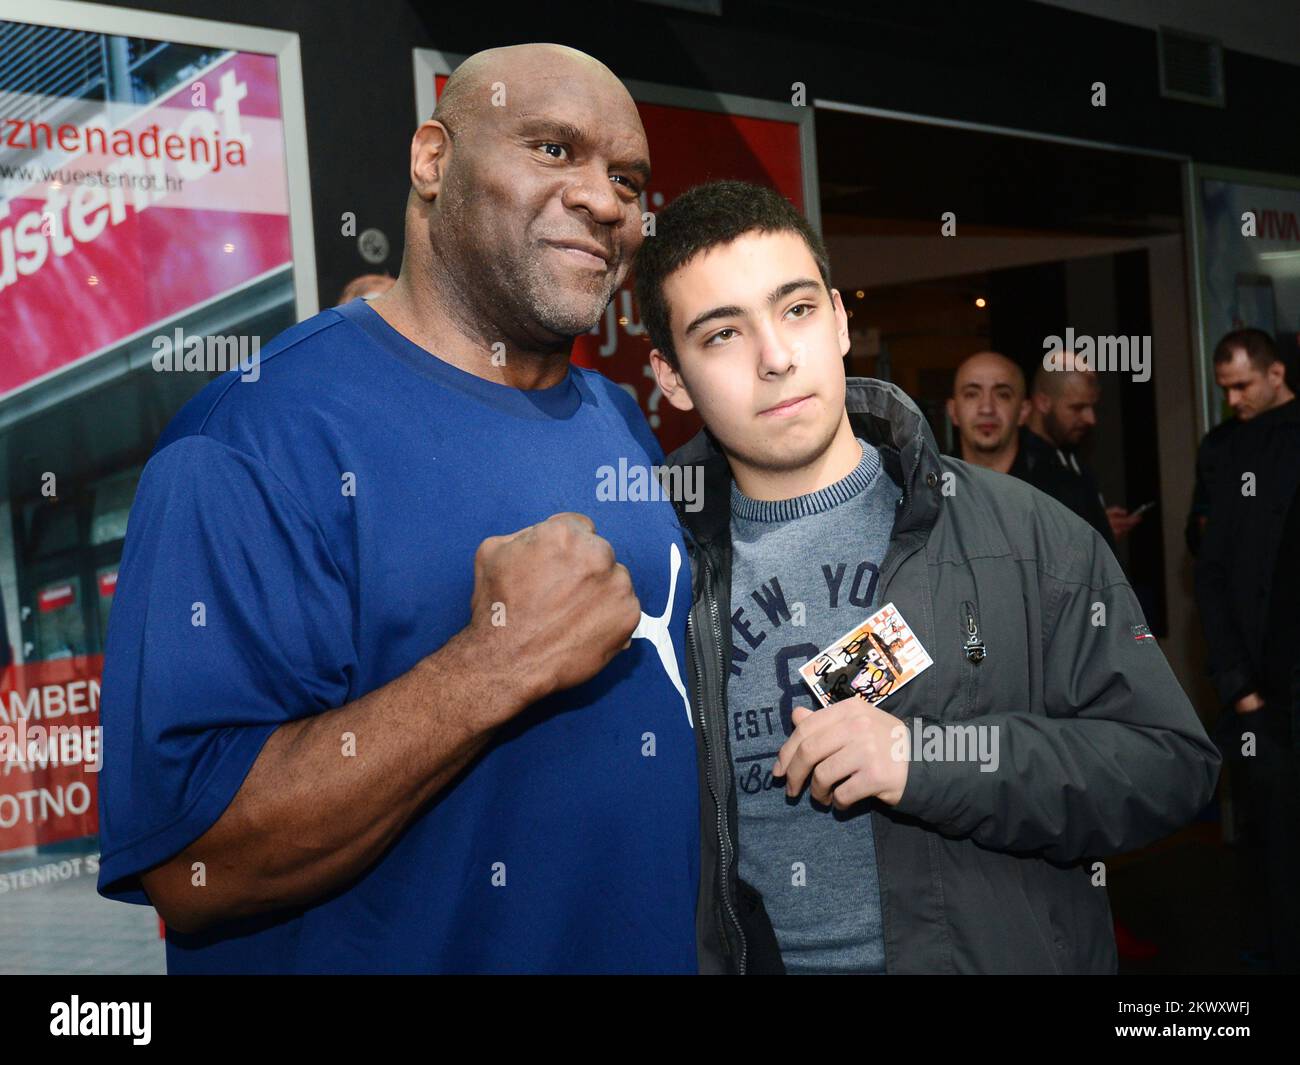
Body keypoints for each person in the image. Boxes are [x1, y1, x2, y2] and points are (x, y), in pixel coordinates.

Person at [96, 43, 700, 974]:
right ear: (432, 160)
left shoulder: (615, 418)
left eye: (627, 176)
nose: (604, 199)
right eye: (552, 149)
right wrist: (493, 666)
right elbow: (190, 862)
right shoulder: (254, 434)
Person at [637, 179, 1220, 974]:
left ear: (840, 320)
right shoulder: (651, 576)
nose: (776, 357)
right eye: (722, 335)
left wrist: (927, 761)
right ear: (671, 377)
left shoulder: (1028, 537)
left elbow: (1170, 767)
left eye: (797, 309)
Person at [1194, 327, 1300, 972]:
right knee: (1272, 834)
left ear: (1276, 373)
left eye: (1241, 385)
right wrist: (1242, 686)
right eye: (1223, 388)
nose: (1231, 398)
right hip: (1261, 687)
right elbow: (1209, 568)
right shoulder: (1223, 449)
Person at [1022, 357, 1141, 549]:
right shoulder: (1022, 465)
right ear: (1043, 402)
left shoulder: (1070, 453)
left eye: (1091, 406)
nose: (1090, 419)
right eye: (1077, 408)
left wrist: (1099, 524)